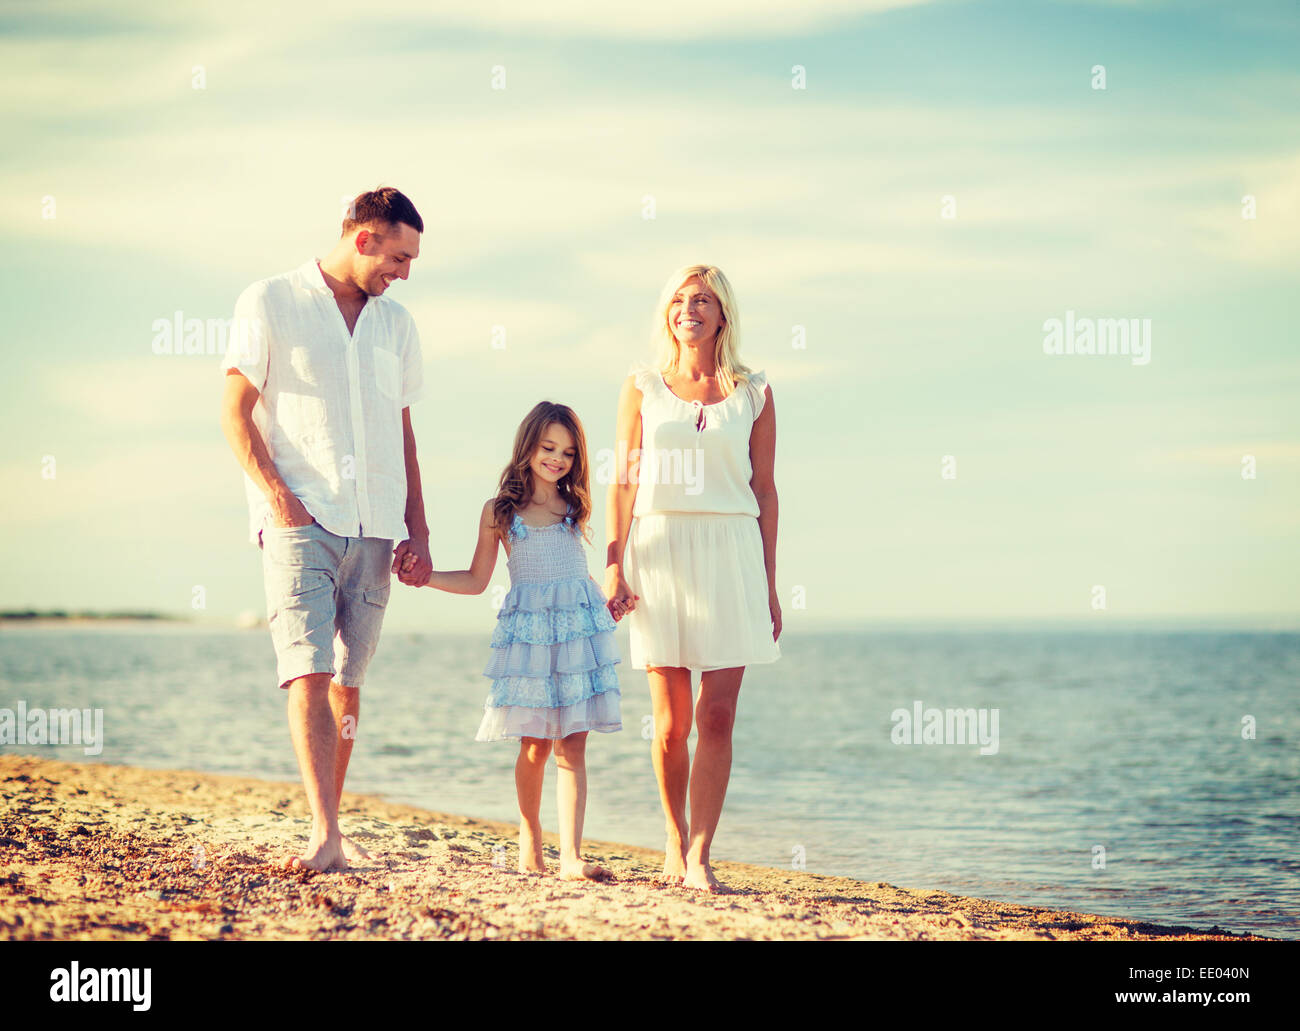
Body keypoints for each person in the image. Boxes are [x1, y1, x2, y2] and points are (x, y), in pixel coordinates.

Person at [219, 187, 433, 873]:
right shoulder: (270, 300)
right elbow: (234, 410)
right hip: (301, 520)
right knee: (306, 670)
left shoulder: (397, 326)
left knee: (348, 680)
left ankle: (334, 826)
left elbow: (403, 432)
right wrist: (281, 498)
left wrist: (418, 527)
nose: (403, 273)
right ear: (364, 238)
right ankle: (322, 830)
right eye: (398, 257)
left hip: (375, 527)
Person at [604, 264, 781, 892]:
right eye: (680, 300)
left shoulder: (754, 391)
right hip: (661, 546)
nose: (690, 309)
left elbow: (764, 488)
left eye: (703, 300)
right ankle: (674, 842)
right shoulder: (643, 385)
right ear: (667, 314)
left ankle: (702, 855)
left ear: (722, 313)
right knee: (672, 721)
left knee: (720, 717)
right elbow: (623, 478)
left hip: (731, 548)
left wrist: (769, 581)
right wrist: (613, 563)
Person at [407, 402, 620, 880]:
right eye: (548, 447)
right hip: (530, 635)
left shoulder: (575, 507)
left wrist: (609, 601)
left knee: (574, 744)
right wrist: (426, 579)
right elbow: (477, 579)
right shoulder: (500, 511)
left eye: (567, 452)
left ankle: (571, 856)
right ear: (527, 447)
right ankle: (529, 837)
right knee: (535, 745)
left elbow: (577, 576)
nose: (557, 459)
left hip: (576, 630)